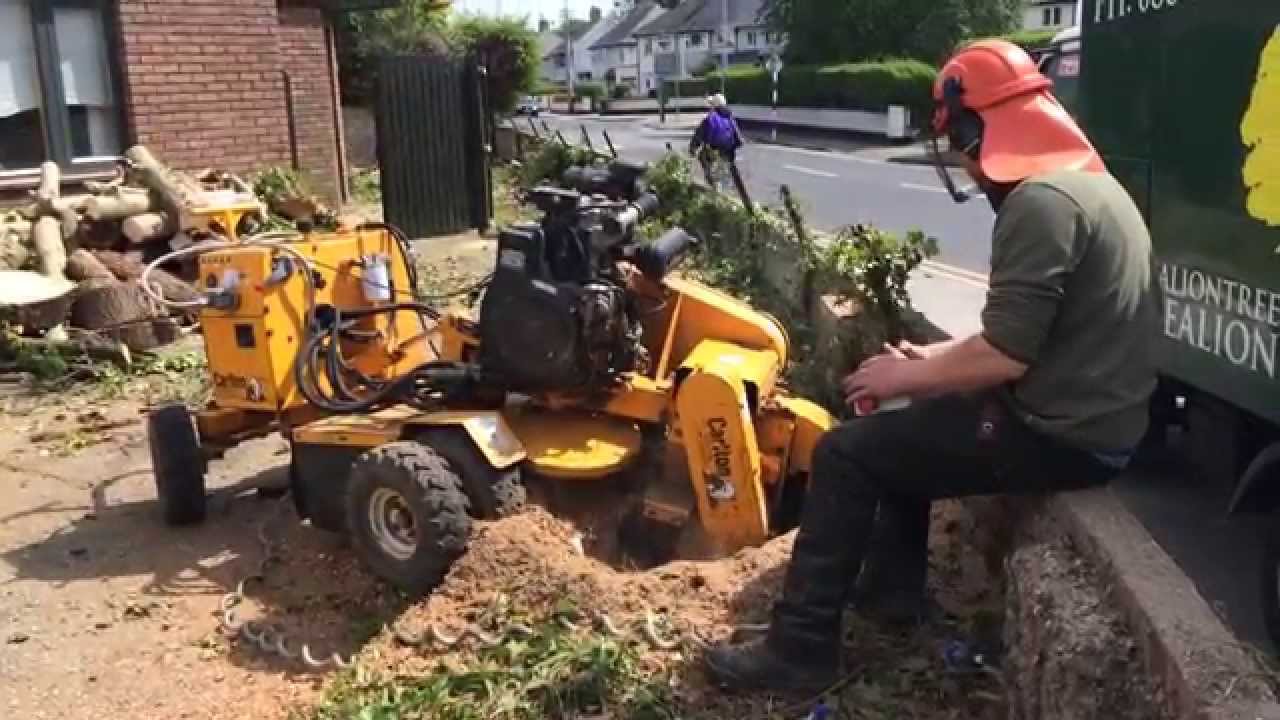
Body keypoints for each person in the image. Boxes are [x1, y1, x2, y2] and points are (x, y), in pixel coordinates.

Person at [704, 39, 1159, 694]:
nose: (969, 170)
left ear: (978, 127)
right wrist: (929, 361)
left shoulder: (1040, 204)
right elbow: (1020, 333)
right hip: (1089, 416)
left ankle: (799, 650)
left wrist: (903, 376)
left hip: (1061, 434)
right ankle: (892, 595)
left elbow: (1006, 353)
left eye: (962, 148)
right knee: (906, 422)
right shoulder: (1088, 187)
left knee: (844, 453)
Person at [689, 93, 744, 164]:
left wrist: (693, 148)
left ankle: (709, 174)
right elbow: (737, 134)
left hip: (713, 149)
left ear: (714, 105)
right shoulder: (729, 117)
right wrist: (736, 145)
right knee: (730, 163)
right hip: (729, 150)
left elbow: (699, 135)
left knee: (702, 156)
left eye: (711, 104)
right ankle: (733, 172)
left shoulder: (710, 118)